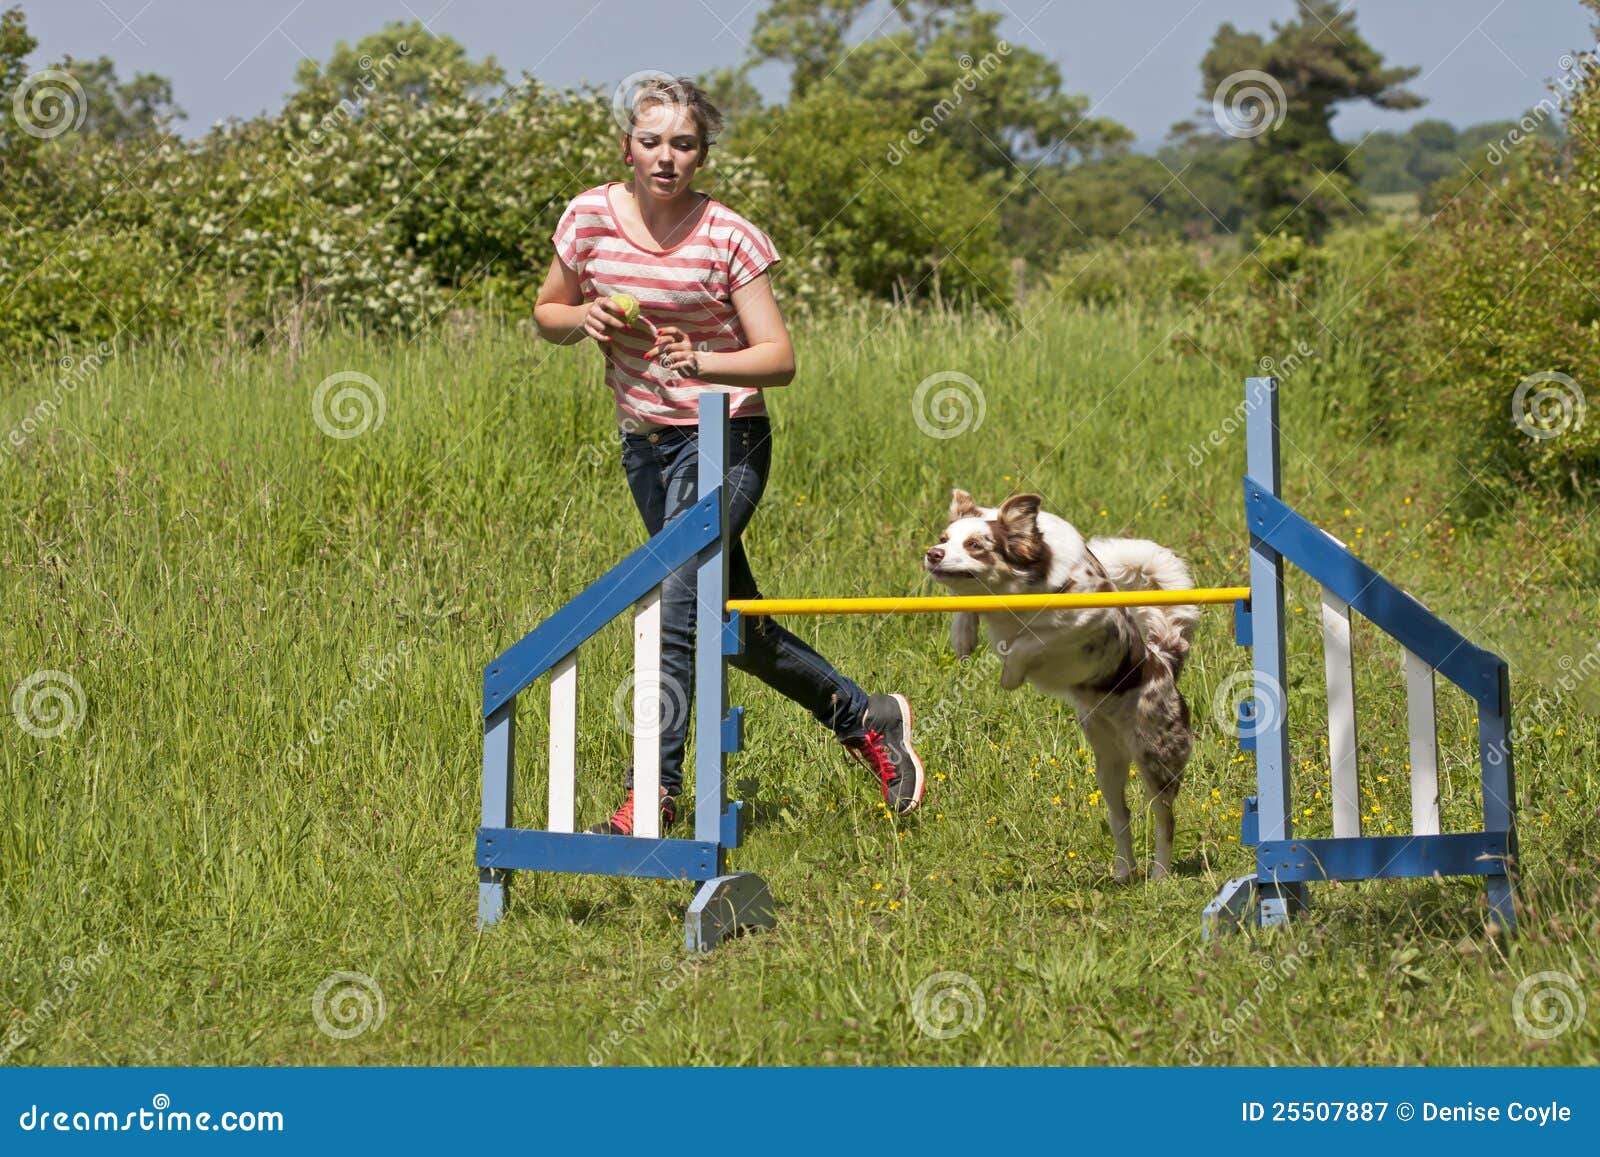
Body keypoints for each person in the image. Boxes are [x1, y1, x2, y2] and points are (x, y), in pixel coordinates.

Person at [532, 76, 926, 835]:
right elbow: (547, 311)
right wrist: (577, 314)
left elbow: (779, 358)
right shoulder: (587, 218)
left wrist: (705, 360)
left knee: (678, 605)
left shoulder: (728, 235)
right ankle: (864, 715)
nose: (666, 157)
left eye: (683, 144)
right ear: (627, 148)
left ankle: (654, 793)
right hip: (644, 448)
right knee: (725, 621)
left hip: (728, 439)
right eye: (651, 142)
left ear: (702, 156)